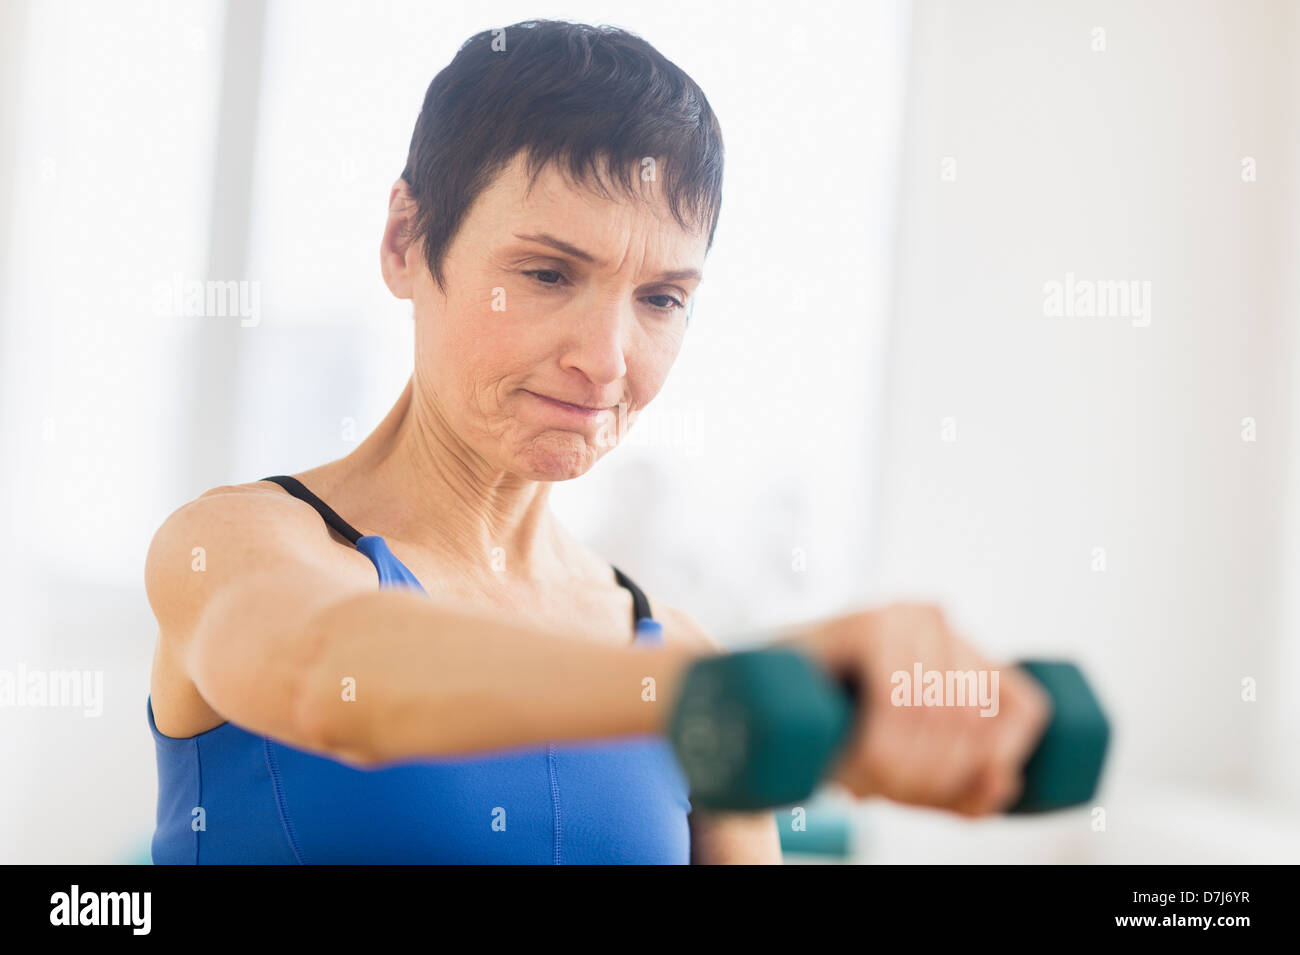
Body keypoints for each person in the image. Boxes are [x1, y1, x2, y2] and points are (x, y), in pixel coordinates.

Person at [144, 19, 1049, 865]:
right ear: (405, 241)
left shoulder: (673, 647)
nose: (606, 361)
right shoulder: (232, 547)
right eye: (546, 273)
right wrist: (706, 690)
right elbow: (328, 676)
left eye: (661, 299)